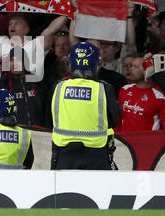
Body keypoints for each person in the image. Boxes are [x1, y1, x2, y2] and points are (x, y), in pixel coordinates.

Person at [49, 42, 121, 170]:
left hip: (64, 153)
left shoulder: (58, 86)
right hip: (96, 154)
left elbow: (52, 118)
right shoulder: (104, 88)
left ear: (71, 63)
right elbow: (114, 121)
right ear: (97, 63)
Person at [116, 54, 165, 131]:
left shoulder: (160, 98)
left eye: (136, 67)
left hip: (146, 142)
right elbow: (117, 120)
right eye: (132, 66)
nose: (131, 69)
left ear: (147, 71)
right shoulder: (124, 90)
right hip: (123, 141)